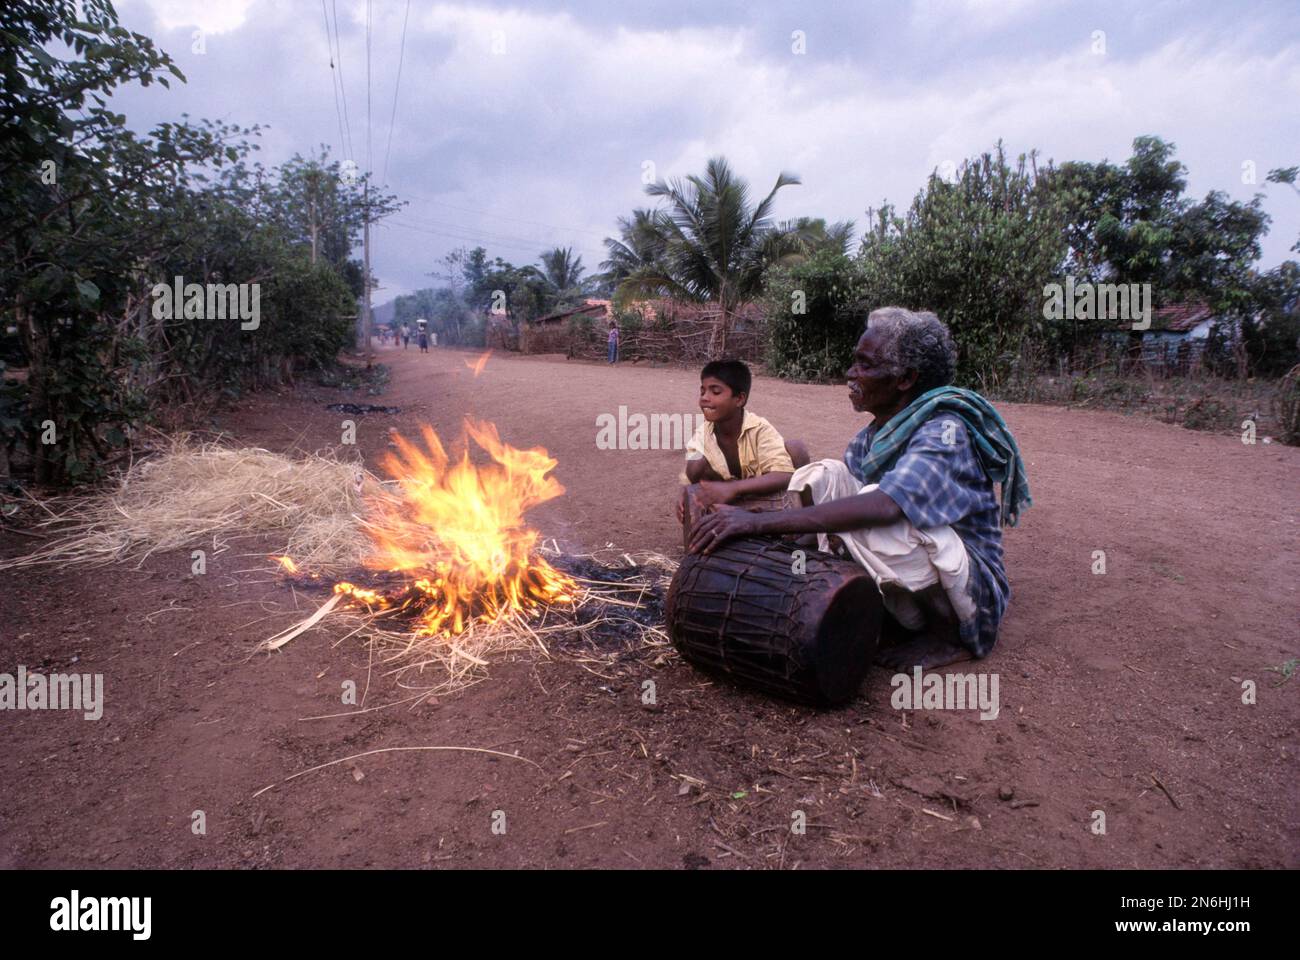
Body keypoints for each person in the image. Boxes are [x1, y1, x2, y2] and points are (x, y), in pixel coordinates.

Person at [688, 308, 1031, 670]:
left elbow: (882, 508)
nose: (851, 375)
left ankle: (947, 636)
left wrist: (757, 524)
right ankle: (878, 605)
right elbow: (835, 506)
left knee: (874, 510)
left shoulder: (944, 433)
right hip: (922, 569)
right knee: (825, 474)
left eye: (865, 365)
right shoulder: (873, 436)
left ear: (905, 378)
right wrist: (768, 528)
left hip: (969, 590)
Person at [676, 359, 809, 529]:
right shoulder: (700, 434)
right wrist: (684, 495)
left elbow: (784, 474)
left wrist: (734, 488)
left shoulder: (759, 428)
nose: (704, 398)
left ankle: (805, 520)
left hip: (764, 494)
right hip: (730, 501)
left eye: (715, 392)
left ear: (739, 399)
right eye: (702, 392)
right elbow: (689, 472)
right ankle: (725, 517)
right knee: (695, 464)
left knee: (796, 448)